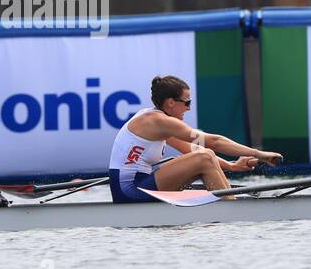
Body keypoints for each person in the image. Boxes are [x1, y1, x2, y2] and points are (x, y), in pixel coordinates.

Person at [109, 75, 282, 203]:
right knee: (205, 157)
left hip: (139, 184)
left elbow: (192, 149)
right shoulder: (157, 121)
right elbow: (213, 141)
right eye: (187, 102)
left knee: (205, 155)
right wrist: (259, 154)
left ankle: (230, 203)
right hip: (129, 191)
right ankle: (231, 209)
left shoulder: (158, 123)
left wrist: (232, 166)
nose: (189, 108)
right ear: (170, 102)